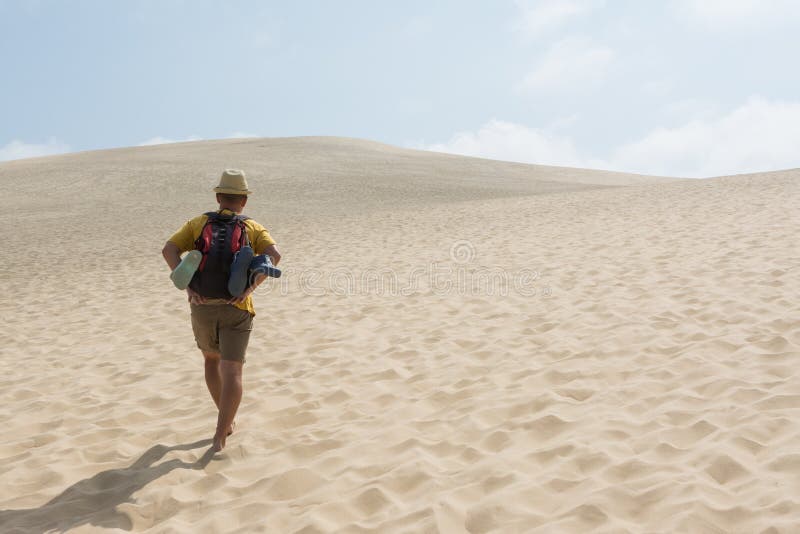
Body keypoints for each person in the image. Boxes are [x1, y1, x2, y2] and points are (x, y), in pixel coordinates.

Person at [162, 169, 281, 451]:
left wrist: (189, 288)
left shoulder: (198, 222)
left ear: (218, 197)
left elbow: (168, 249)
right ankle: (219, 436)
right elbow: (275, 256)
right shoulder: (252, 226)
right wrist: (249, 289)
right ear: (244, 201)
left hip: (202, 305)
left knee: (211, 362)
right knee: (233, 372)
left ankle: (226, 421)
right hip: (238, 307)